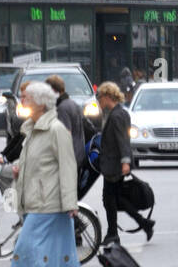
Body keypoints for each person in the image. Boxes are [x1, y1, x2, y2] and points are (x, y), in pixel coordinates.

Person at [8, 81, 80, 267]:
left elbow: (68, 167)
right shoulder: (32, 128)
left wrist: (71, 202)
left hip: (50, 203)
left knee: (26, 248)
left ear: (40, 103)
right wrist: (19, 169)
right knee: (51, 255)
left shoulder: (56, 129)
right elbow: (38, 162)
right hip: (39, 200)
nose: (23, 102)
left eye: (27, 98)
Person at [96, 82, 154, 244]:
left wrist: (125, 162)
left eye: (100, 97)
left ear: (107, 96)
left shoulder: (117, 116)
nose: (99, 100)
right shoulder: (117, 113)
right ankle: (142, 224)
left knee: (110, 199)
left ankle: (114, 233)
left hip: (115, 165)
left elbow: (123, 140)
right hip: (113, 164)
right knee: (114, 199)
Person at [48, 74, 86, 169]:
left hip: (70, 158)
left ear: (53, 90)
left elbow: (65, 135)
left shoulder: (62, 108)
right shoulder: (73, 104)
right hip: (78, 154)